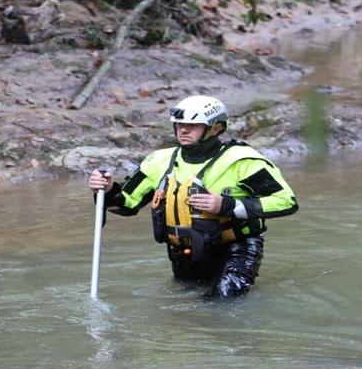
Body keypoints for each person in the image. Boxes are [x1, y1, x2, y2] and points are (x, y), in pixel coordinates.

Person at [88, 95, 299, 298]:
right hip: (182, 252)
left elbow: (286, 201)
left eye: (193, 125)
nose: (184, 130)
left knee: (221, 303)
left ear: (216, 128)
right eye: (179, 124)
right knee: (187, 303)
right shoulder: (158, 161)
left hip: (235, 249)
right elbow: (127, 204)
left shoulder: (242, 161)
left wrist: (227, 205)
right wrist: (107, 190)